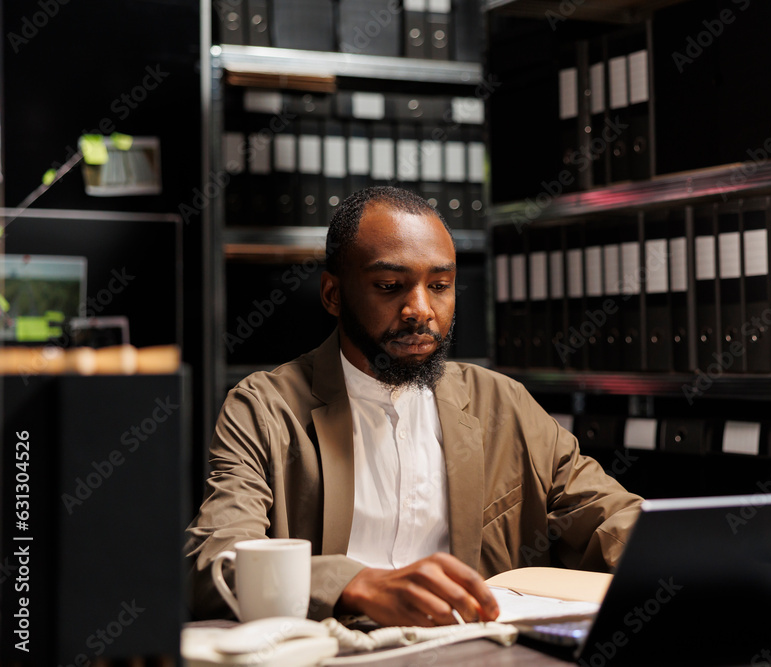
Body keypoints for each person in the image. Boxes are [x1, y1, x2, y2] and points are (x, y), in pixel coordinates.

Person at [185, 186, 643, 627]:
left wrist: (687, 558)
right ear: (333, 295)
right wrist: (355, 585)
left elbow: (610, 516)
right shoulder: (265, 408)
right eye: (389, 285)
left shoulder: (502, 403)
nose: (421, 309)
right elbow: (213, 562)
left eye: (440, 285)